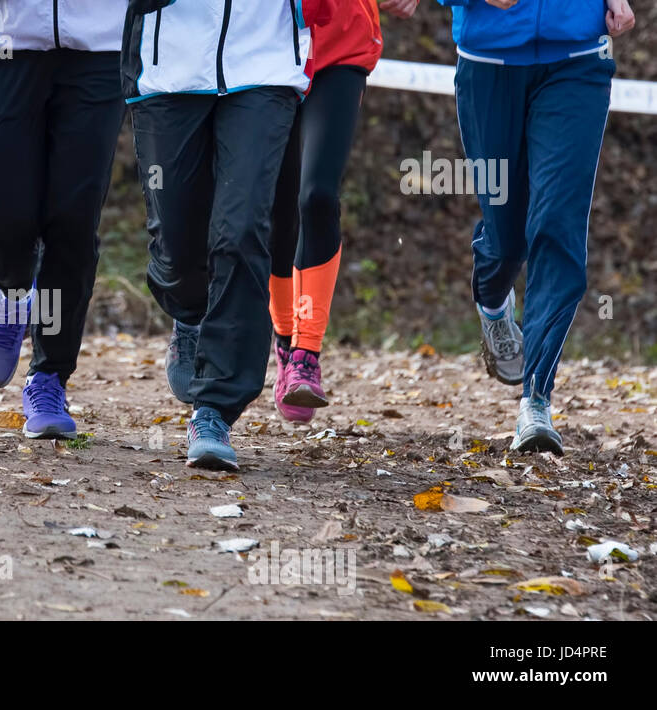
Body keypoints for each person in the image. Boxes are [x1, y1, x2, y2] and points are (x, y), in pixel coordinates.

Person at [127, 0, 334, 470]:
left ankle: (215, 409)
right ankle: (190, 312)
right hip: (169, 65)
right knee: (176, 245)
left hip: (265, 61)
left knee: (241, 231)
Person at [436, 0, 635, 454]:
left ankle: (536, 399)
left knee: (556, 225)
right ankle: (492, 302)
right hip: (488, 62)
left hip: (578, 57)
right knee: (506, 238)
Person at [0, 0, 126, 440]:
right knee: (4, 217)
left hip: (100, 47)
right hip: (8, 40)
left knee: (72, 223)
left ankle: (48, 379)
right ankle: (12, 296)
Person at [267, 0, 417, 423]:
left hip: (341, 44)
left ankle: (306, 352)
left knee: (316, 196)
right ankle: (285, 337)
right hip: (263, 48)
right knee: (278, 208)